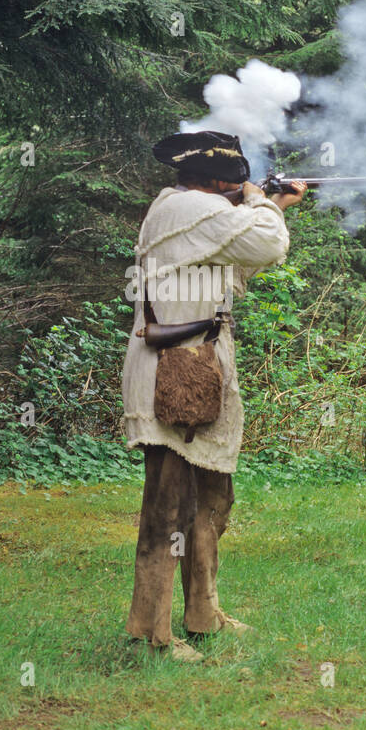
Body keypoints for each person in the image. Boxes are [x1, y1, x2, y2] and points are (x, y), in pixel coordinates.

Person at [121, 131, 305, 661]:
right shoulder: (188, 207)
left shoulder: (192, 211)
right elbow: (268, 242)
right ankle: (152, 630)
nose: (234, 187)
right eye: (232, 180)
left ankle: (202, 611)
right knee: (168, 502)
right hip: (172, 371)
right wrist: (263, 202)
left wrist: (267, 204)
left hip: (199, 365)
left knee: (211, 497)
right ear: (217, 181)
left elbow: (238, 267)